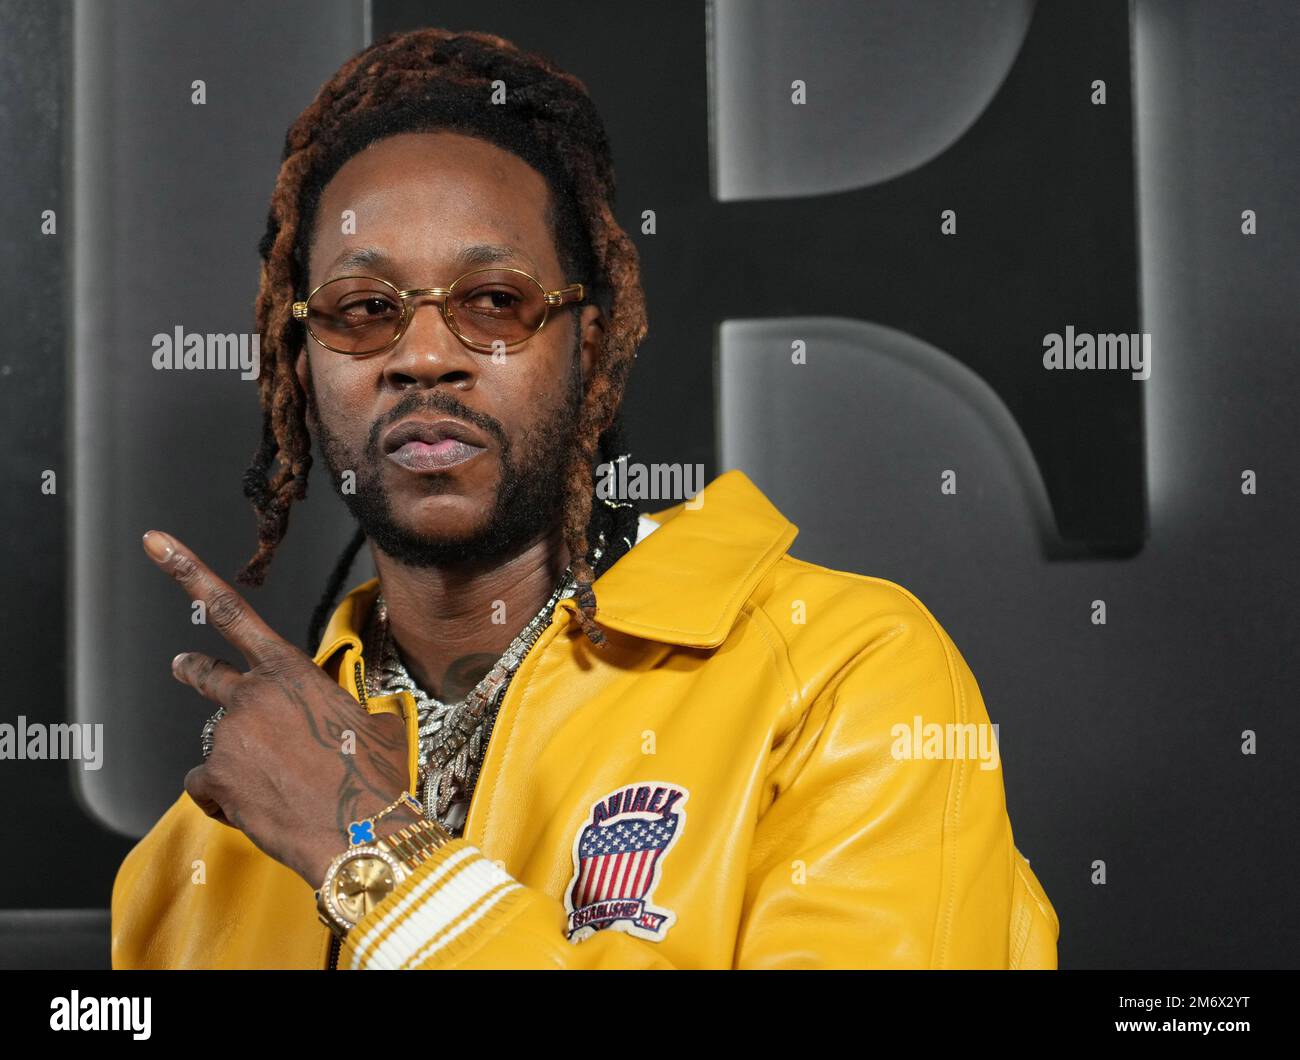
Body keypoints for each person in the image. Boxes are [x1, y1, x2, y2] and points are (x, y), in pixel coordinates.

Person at [110, 27, 1058, 969]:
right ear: (300, 362)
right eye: (364, 311)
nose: (425, 355)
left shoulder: (844, 677)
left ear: (592, 346)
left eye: (493, 300)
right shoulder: (196, 858)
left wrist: (378, 860)